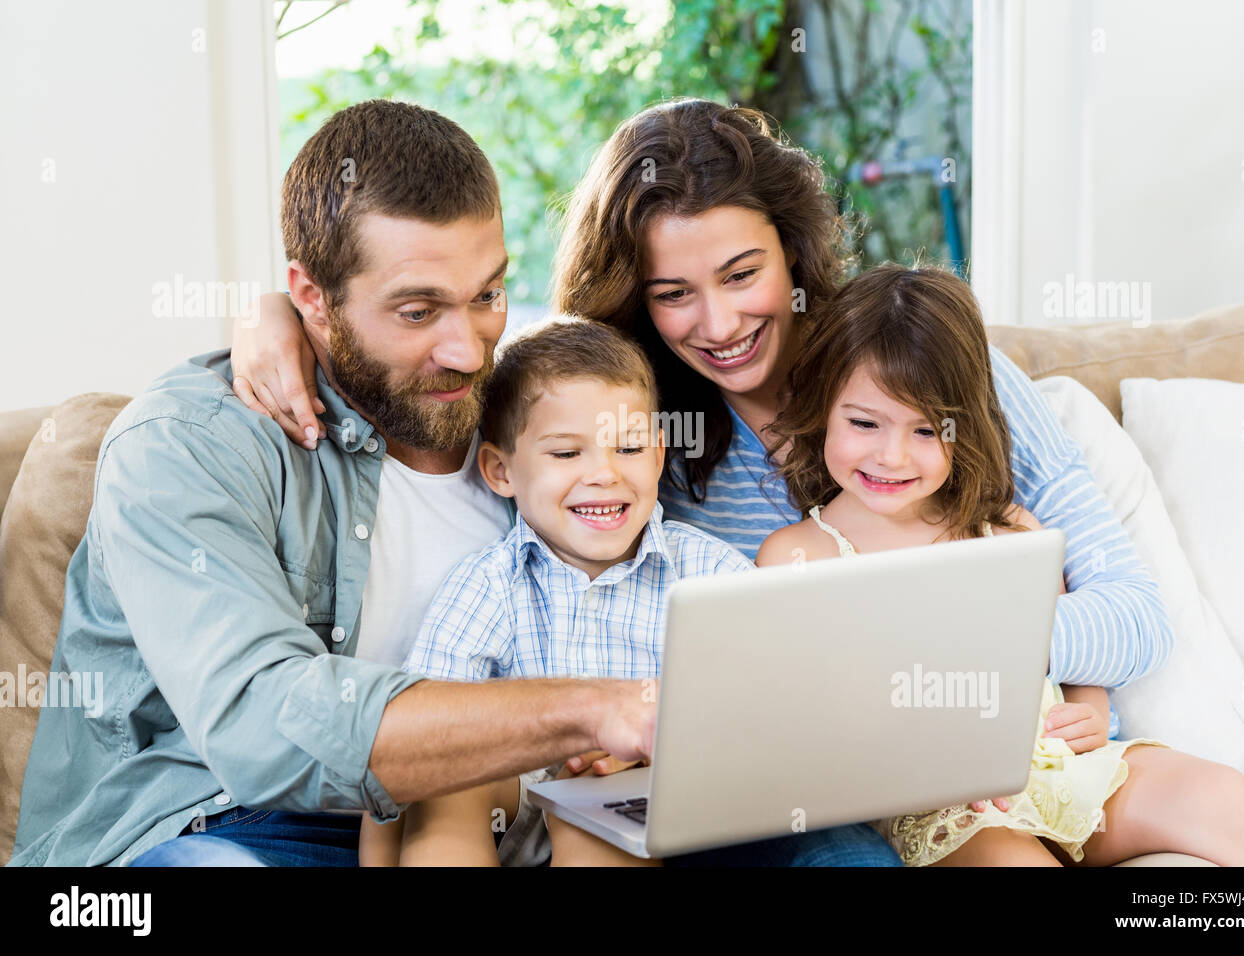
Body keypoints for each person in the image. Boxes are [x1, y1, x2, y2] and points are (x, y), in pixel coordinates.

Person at [234, 97, 1173, 864]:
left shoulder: (931, 378)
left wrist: (980, 644)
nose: (717, 322)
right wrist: (283, 316)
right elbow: (513, 392)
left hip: (1004, 765)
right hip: (800, 799)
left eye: (742, 272)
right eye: (672, 294)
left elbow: (1134, 619)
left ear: (795, 255)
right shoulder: (644, 438)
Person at [7, 100, 654, 868]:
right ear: (311, 297)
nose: (467, 350)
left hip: (488, 828)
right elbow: (263, 726)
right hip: (225, 827)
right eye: (418, 311)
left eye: (487, 295)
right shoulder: (184, 447)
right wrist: (593, 712)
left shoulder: (536, 427)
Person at [756, 263, 1244, 866]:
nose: (892, 455)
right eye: (864, 423)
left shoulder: (1008, 526)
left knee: (1220, 792)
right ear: (821, 407)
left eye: (926, 430)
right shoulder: (797, 555)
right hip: (947, 808)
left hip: (1062, 770)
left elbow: (1074, 654)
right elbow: (812, 726)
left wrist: (1088, 714)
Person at [362, 318, 753, 866]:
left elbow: (765, 710)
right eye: (567, 454)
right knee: (445, 777)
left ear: (660, 455)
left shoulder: (710, 575)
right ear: (501, 471)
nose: (604, 474)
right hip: (508, 811)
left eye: (630, 448)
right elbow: (418, 748)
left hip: (636, 811)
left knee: (596, 802)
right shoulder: (488, 584)